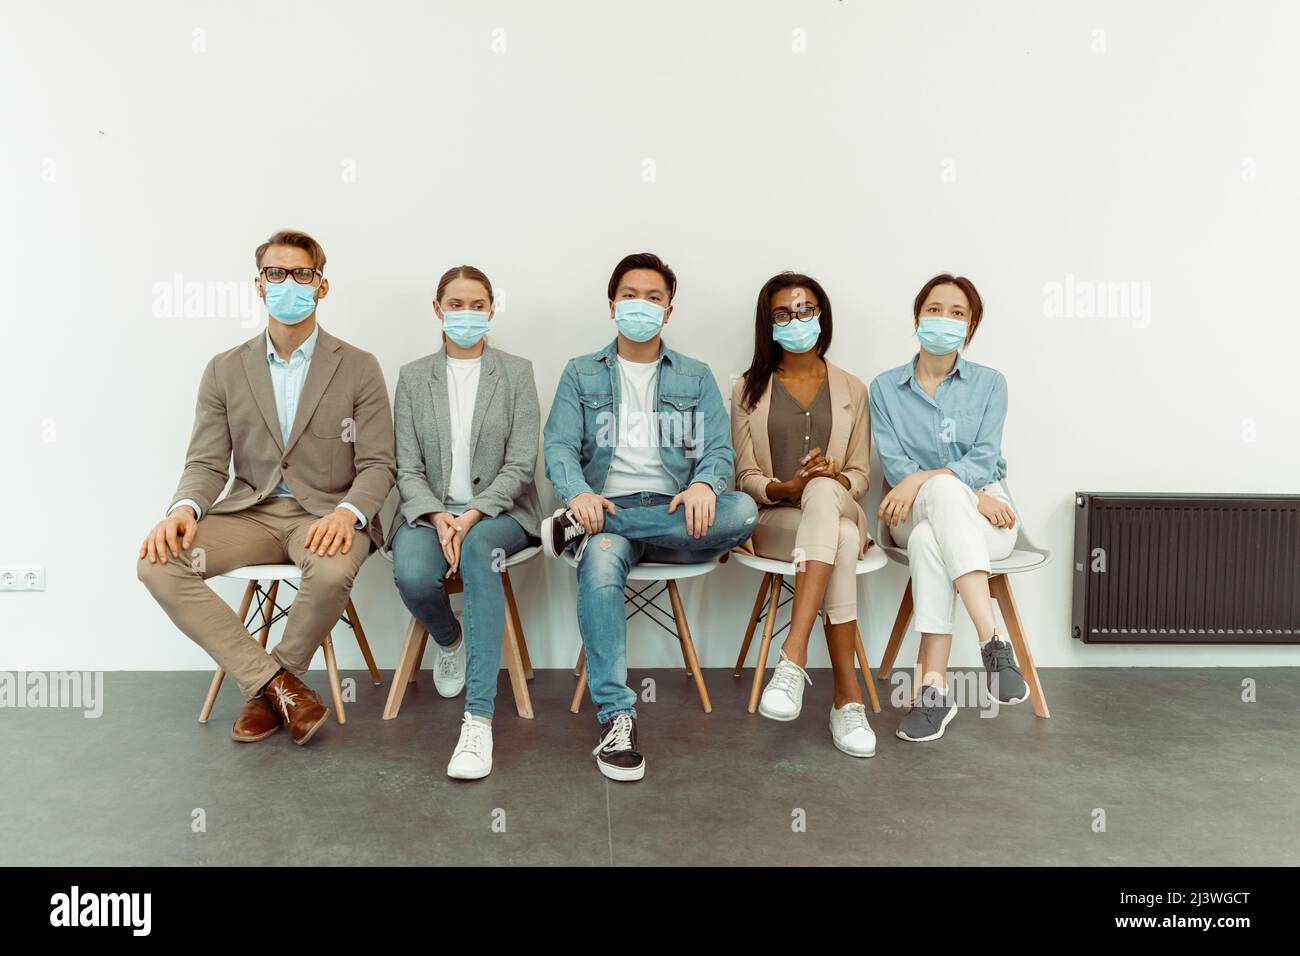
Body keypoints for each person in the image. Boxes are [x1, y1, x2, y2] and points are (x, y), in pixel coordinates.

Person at [136, 229, 396, 745]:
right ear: (259, 285)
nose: (288, 284)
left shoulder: (359, 366)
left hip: (325, 516)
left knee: (331, 571)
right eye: (276, 274)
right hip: (249, 515)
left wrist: (347, 514)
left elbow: (378, 465)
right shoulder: (225, 369)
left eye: (302, 274)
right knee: (157, 564)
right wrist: (184, 508)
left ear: (322, 287)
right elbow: (207, 462)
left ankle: (270, 688)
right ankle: (277, 687)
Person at [541, 252, 758, 781]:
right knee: (600, 562)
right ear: (612, 304)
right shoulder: (579, 373)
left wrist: (706, 483)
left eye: (654, 297)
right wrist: (577, 495)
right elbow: (559, 448)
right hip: (604, 508)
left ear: (670, 310)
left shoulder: (697, 375)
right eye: (631, 295)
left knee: (744, 510)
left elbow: (720, 452)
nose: (641, 305)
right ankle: (618, 719)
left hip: (678, 511)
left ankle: (581, 531)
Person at [389, 265, 541, 780]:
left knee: (479, 553)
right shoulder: (412, 377)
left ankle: (478, 719)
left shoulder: (516, 373)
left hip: (498, 512)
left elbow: (521, 465)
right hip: (428, 509)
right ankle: (450, 640)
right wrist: (438, 516)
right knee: (412, 574)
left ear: (492, 310)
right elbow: (406, 467)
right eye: (456, 304)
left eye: (478, 305)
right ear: (438, 310)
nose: (467, 314)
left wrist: (471, 516)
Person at [869, 273, 1027, 744]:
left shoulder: (991, 384)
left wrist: (950, 487)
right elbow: (898, 468)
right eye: (935, 309)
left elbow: (983, 457)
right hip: (911, 508)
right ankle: (992, 641)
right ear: (917, 317)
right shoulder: (884, 388)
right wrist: (954, 490)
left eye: (957, 313)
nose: (945, 319)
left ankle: (933, 690)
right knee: (932, 508)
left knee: (927, 540)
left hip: (984, 519)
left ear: (971, 326)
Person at [731, 272, 876, 757]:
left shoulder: (853, 389)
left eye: (806, 309)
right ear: (767, 323)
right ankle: (846, 699)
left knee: (826, 496)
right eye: (783, 313)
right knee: (842, 537)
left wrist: (834, 478)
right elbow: (745, 475)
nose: (796, 320)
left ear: (822, 316)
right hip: (777, 521)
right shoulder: (747, 390)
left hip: (834, 504)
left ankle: (791, 660)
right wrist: (784, 486)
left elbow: (860, 476)